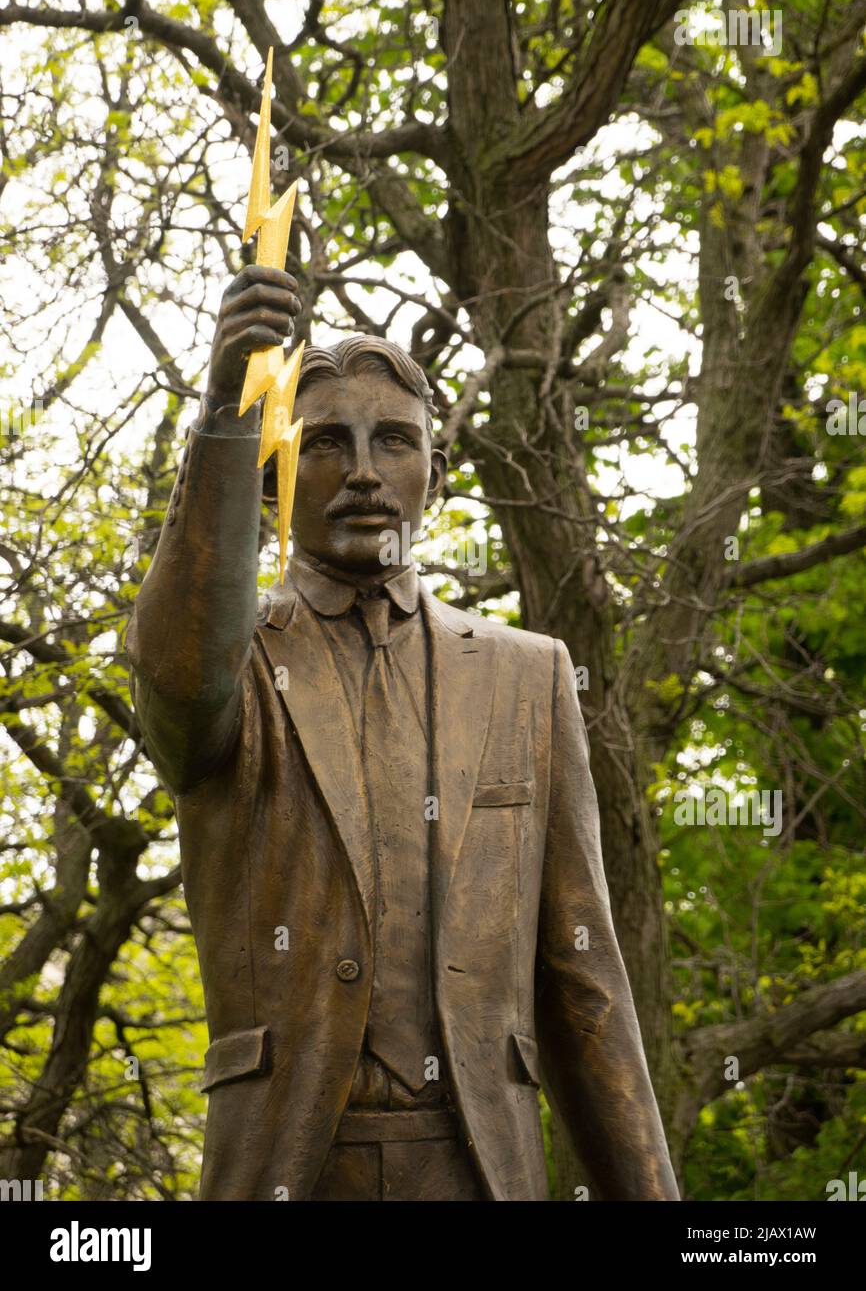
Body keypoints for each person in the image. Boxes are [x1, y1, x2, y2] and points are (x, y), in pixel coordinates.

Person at [125, 263, 679, 1201]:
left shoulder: (528, 677)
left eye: (395, 440)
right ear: (273, 474)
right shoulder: (236, 667)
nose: (366, 472)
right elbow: (176, 684)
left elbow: (585, 983)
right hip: (288, 1166)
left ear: (437, 469)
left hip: (478, 1169)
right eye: (327, 444)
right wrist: (226, 411)